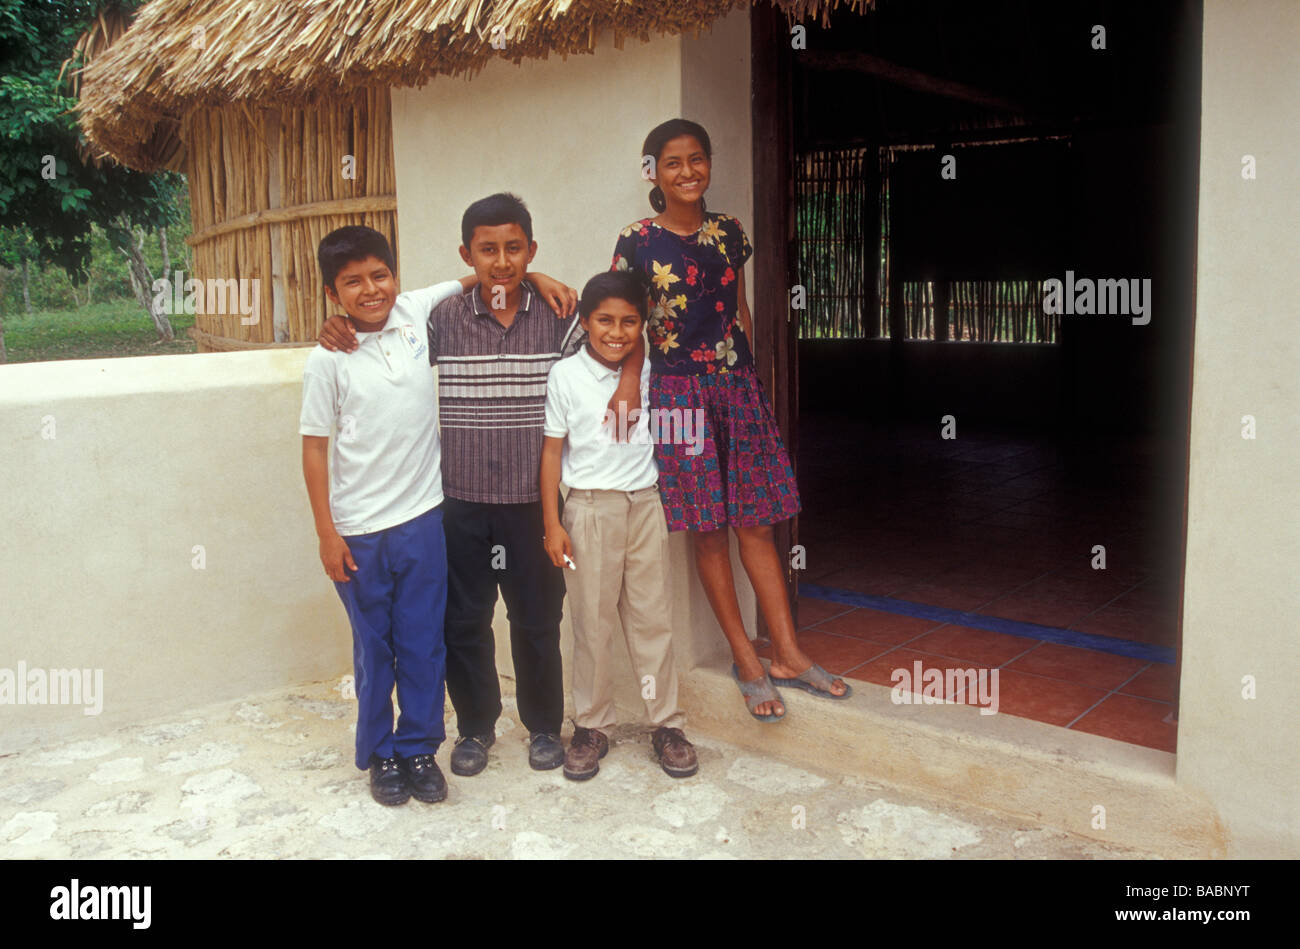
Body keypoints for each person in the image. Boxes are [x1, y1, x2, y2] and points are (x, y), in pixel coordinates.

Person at [319, 194, 641, 775]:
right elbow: (382, 332)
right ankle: (475, 729)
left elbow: (622, 340)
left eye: (515, 249)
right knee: (464, 622)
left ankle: (544, 725)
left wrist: (633, 371)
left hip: (534, 505)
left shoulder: (561, 316)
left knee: (538, 619)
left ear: (532, 252)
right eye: (487, 250)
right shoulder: (440, 320)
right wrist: (338, 324)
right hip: (458, 503)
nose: (501, 261)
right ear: (467, 254)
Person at [610, 119, 852, 721]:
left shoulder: (729, 232)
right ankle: (746, 658)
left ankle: (788, 654)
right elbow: (627, 320)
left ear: (709, 164)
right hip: (674, 397)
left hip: (736, 388)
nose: (687, 171)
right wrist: (626, 385)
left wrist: (754, 379)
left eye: (697, 159)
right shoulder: (637, 239)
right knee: (708, 529)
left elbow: (738, 306)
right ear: (653, 173)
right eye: (673, 162)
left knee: (757, 526)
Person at [300, 225, 464, 806]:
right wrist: (327, 532)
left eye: (380, 275)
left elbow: (481, 276)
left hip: (423, 519)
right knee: (375, 648)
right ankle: (380, 754)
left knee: (423, 641)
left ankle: (419, 745)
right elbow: (315, 448)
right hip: (359, 531)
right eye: (353, 282)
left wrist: (538, 277)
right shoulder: (328, 358)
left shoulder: (416, 310)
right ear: (332, 294)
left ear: (396, 276)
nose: (370, 290)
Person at [540, 270, 697, 780]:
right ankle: (592, 725)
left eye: (629, 322)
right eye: (604, 320)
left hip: (644, 506)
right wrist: (552, 523)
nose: (617, 331)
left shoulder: (648, 369)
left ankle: (665, 723)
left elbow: (644, 348)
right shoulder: (565, 375)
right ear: (584, 322)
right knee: (592, 623)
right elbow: (551, 452)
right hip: (587, 510)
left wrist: (633, 368)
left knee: (653, 620)